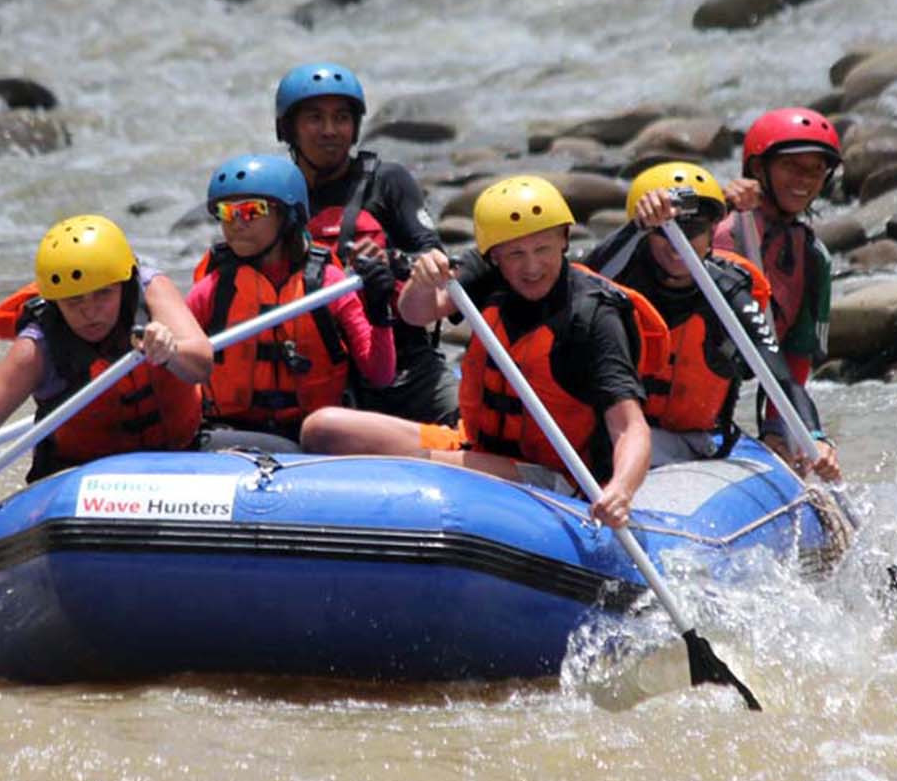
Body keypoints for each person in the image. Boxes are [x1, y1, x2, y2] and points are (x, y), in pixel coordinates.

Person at [301, 175, 652, 527]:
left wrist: (621, 489)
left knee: (414, 459)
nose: (531, 267)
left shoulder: (593, 316)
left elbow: (628, 426)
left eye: (542, 248)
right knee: (323, 429)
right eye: (516, 253)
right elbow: (415, 312)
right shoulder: (487, 273)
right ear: (496, 255)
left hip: (558, 476)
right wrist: (422, 282)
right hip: (476, 444)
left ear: (564, 239)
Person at [0, 215, 213, 545]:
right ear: (56, 302)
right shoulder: (38, 346)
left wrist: (170, 350)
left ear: (123, 283)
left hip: (184, 453)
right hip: (80, 480)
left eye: (102, 294)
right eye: (74, 301)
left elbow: (201, 364)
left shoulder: (151, 291)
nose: (90, 311)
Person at [585, 163, 840, 480]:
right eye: (663, 230)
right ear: (645, 236)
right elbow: (584, 275)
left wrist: (814, 436)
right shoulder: (615, 285)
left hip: (698, 444)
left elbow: (780, 377)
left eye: (694, 230)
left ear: (711, 234)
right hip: (615, 436)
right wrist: (637, 225)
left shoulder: (730, 292)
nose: (679, 242)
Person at [274, 62, 458, 425]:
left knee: (471, 425)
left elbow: (434, 257)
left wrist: (389, 260)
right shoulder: (276, 194)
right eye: (314, 118)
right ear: (289, 128)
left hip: (405, 363)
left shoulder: (387, 182)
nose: (330, 130)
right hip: (319, 372)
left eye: (341, 118)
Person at [188, 154, 398, 450]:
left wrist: (379, 313)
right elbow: (175, 364)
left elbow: (380, 374)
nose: (235, 223)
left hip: (311, 436)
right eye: (225, 212)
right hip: (229, 435)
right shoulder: (213, 288)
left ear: (287, 215)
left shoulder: (328, 284)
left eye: (250, 211)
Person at [715, 107, 839, 391]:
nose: (805, 180)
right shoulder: (717, 226)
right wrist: (718, 204)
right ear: (758, 168)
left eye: (816, 169)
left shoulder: (812, 256)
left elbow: (795, 357)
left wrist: (776, 431)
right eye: (791, 166)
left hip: (715, 409)